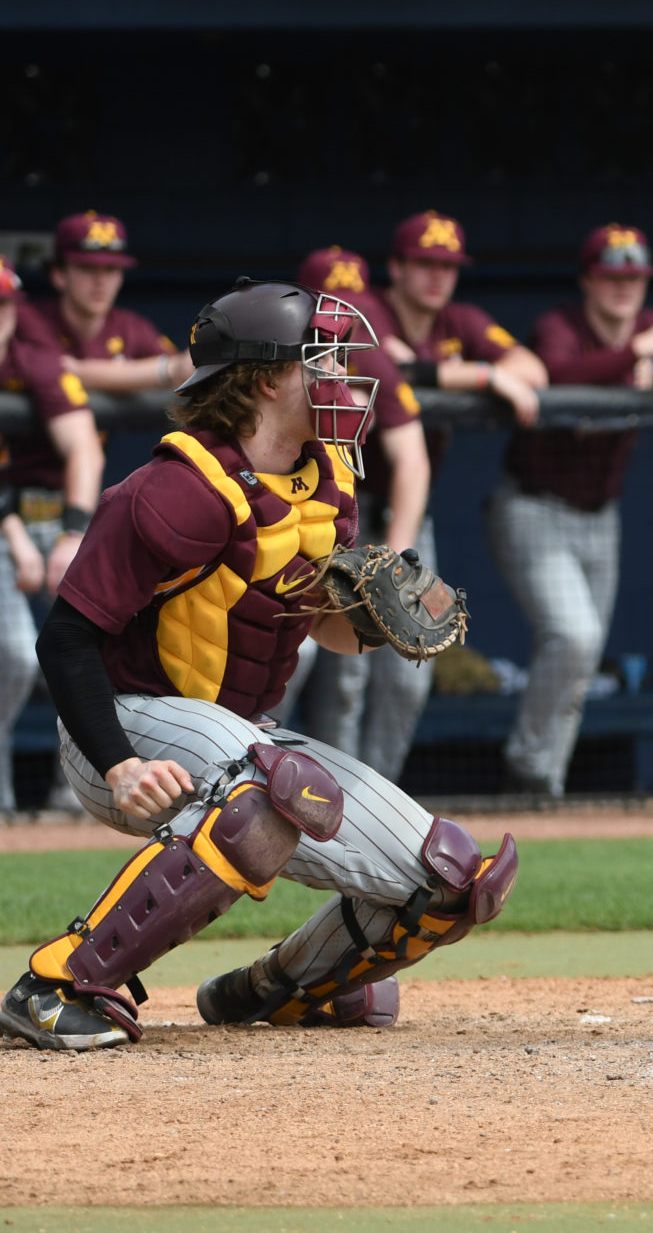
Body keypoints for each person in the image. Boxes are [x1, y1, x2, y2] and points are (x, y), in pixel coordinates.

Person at [0, 279, 516, 1052]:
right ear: (269, 377)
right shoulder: (179, 488)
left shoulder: (328, 477)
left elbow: (321, 628)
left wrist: (369, 623)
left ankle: (277, 989)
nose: (342, 376)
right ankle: (58, 983)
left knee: (453, 879)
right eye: (323, 359)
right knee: (267, 793)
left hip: (241, 737)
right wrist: (116, 766)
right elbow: (66, 638)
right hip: (124, 722)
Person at [490, 224, 653, 797]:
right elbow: (554, 374)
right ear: (588, 281)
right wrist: (637, 352)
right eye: (611, 276)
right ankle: (526, 767)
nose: (624, 288)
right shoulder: (561, 326)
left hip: (601, 515)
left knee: (584, 655)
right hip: (533, 505)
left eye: (634, 277)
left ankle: (544, 784)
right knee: (572, 636)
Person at [349, 211, 547, 783]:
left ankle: (375, 791)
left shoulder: (460, 320)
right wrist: (482, 377)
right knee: (345, 675)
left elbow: (531, 369)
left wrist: (464, 368)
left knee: (411, 662)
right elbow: (389, 370)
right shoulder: (369, 311)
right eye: (425, 264)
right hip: (345, 508)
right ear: (399, 267)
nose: (438, 277)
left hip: (408, 515)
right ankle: (321, 792)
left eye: (448, 266)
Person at [273, 247, 432, 748]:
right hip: (301, 519)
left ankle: (373, 796)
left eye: (352, 305)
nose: (341, 321)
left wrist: (397, 559)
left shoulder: (372, 355)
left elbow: (413, 460)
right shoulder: (279, 361)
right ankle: (251, 766)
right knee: (315, 662)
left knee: (408, 661)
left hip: (374, 522)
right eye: (330, 306)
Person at [0, 256, 104, 811]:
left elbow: (83, 447)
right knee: (13, 656)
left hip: (51, 517)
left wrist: (73, 533)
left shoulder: (34, 360)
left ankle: (81, 795)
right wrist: (15, 534)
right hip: (5, 526)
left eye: (2, 304)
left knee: (96, 647)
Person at [22, 212, 194, 392]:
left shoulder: (132, 326)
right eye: (87, 268)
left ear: (120, 277)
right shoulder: (31, 319)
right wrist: (165, 370)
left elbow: (184, 373)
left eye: (111, 269)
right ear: (59, 275)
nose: (100, 281)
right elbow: (59, 371)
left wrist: (173, 368)